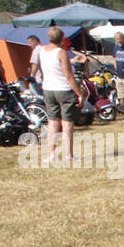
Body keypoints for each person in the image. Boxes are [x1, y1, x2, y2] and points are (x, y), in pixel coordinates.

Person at [38, 25, 89, 166]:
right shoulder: (61, 52)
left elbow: (52, 65)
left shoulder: (42, 51)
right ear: (62, 38)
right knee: (67, 123)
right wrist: (79, 93)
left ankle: (51, 155)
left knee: (53, 122)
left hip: (48, 88)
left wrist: (72, 61)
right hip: (63, 90)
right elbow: (68, 76)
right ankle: (68, 155)